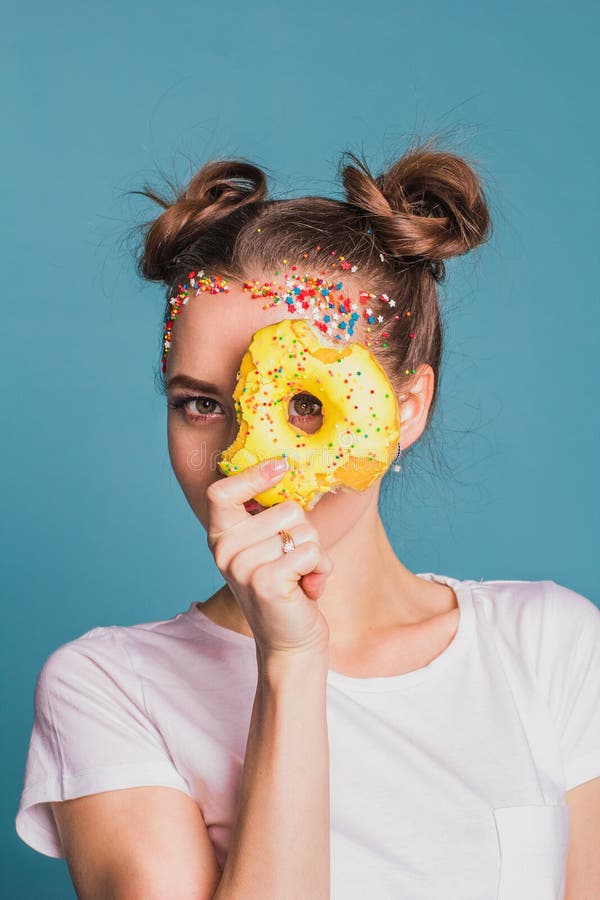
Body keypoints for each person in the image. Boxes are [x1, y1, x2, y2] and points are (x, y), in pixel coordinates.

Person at [15, 140, 600, 900]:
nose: (239, 459)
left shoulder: (550, 646)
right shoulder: (109, 690)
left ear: (407, 410)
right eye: (201, 404)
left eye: (299, 403)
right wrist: (290, 663)